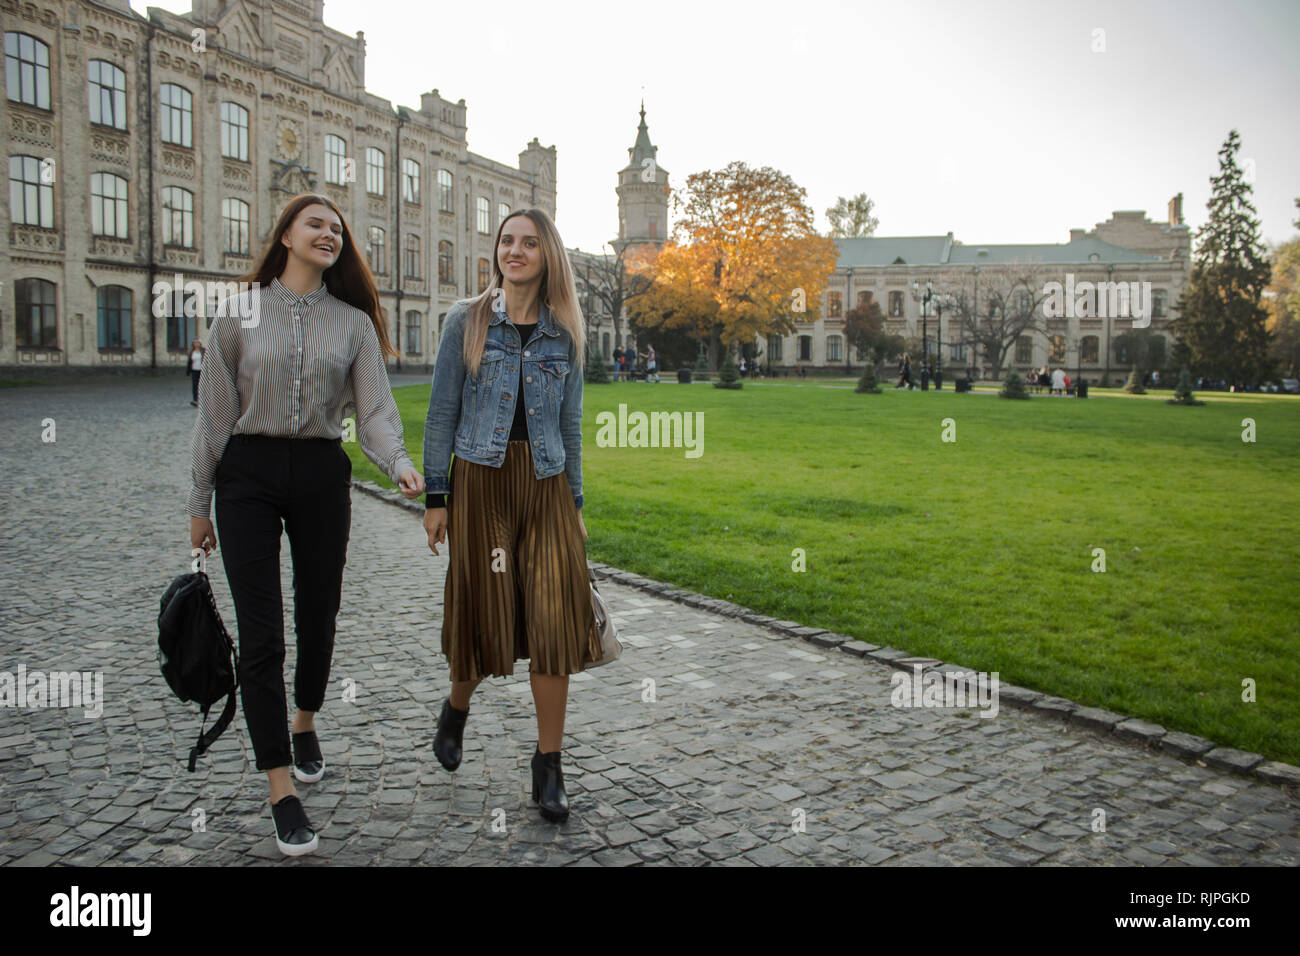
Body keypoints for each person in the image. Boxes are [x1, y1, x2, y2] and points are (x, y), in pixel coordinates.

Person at [187, 193, 425, 856]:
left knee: (318, 613)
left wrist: (399, 464)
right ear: (286, 233)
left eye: (337, 228)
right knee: (261, 636)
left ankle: (306, 721)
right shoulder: (238, 312)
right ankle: (280, 789)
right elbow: (213, 417)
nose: (329, 233)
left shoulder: (352, 324)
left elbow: (374, 412)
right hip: (247, 477)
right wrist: (197, 505)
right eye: (315, 223)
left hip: (322, 472)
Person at [421, 207, 600, 825]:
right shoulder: (464, 322)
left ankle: (548, 765)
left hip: (546, 485)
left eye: (528, 243)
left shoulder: (565, 332)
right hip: (481, 481)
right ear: (496, 251)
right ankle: (456, 708)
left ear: (547, 254)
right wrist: (436, 497)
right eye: (506, 241)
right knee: (483, 610)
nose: (515, 251)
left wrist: (575, 503)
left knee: (553, 618)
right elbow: (442, 411)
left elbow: (570, 426)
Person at [186, 339, 204, 406]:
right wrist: (188, 371)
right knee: (194, 385)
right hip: (194, 370)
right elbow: (189, 362)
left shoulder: (202, 351)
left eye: (197, 343)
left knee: (202, 385)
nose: (196, 344)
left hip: (202, 370)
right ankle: (195, 399)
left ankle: (202, 400)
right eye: (195, 343)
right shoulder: (191, 352)